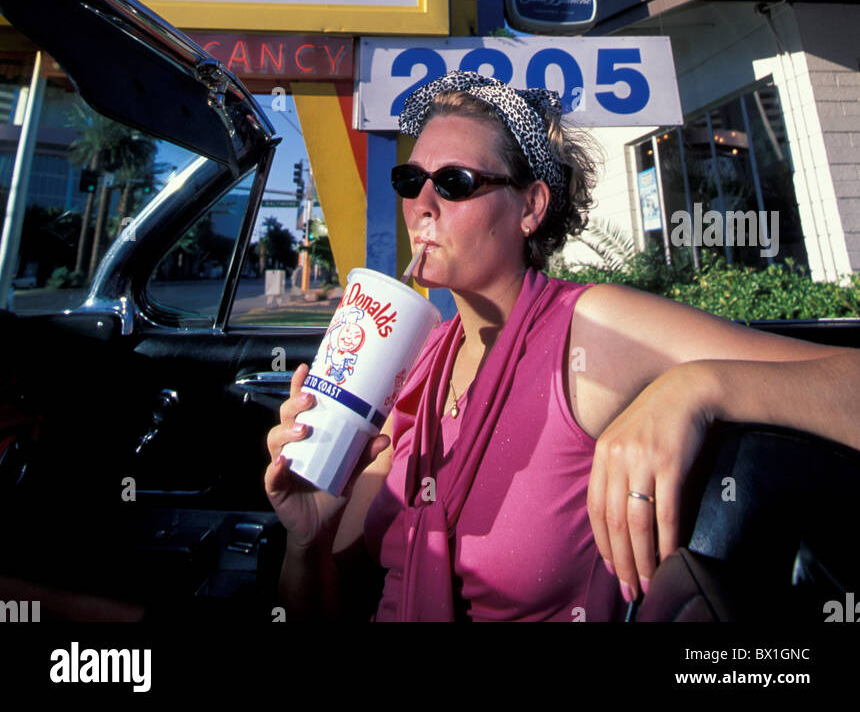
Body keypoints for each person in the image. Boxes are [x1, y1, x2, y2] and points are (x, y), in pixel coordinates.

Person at [265, 72, 860, 622]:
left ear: (531, 207)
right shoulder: (413, 363)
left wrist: (698, 388)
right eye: (410, 179)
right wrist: (308, 537)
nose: (422, 202)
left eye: (454, 182)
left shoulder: (590, 327)